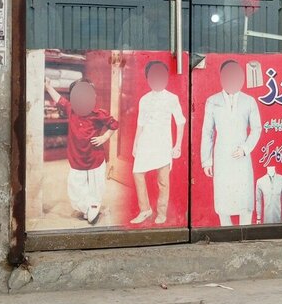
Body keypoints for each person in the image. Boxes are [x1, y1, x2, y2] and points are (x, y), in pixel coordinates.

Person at [44, 76, 118, 225]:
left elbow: (114, 124)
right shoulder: (71, 109)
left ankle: (94, 205)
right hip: (77, 158)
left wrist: (104, 137)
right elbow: (59, 100)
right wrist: (48, 87)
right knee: (76, 186)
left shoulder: (98, 113)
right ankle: (87, 207)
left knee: (96, 185)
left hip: (95, 157)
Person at [201, 60, 262, 226]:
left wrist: (245, 148)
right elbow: (207, 132)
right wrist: (206, 160)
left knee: (245, 200)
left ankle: (245, 234)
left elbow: (256, 128)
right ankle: (226, 234)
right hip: (222, 156)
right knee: (223, 202)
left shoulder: (249, 101)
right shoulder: (212, 101)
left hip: (242, 155)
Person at [130, 60, 186, 226]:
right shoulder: (144, 99)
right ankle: (145, 209)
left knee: (163, 181)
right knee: (137, 174)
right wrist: (135, 144)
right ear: (148, 79)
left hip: (163, 144)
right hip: (146, 142)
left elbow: (181, 122)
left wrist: (178, 145)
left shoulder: (172, 98)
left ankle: (161, 212)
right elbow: (140, 124)